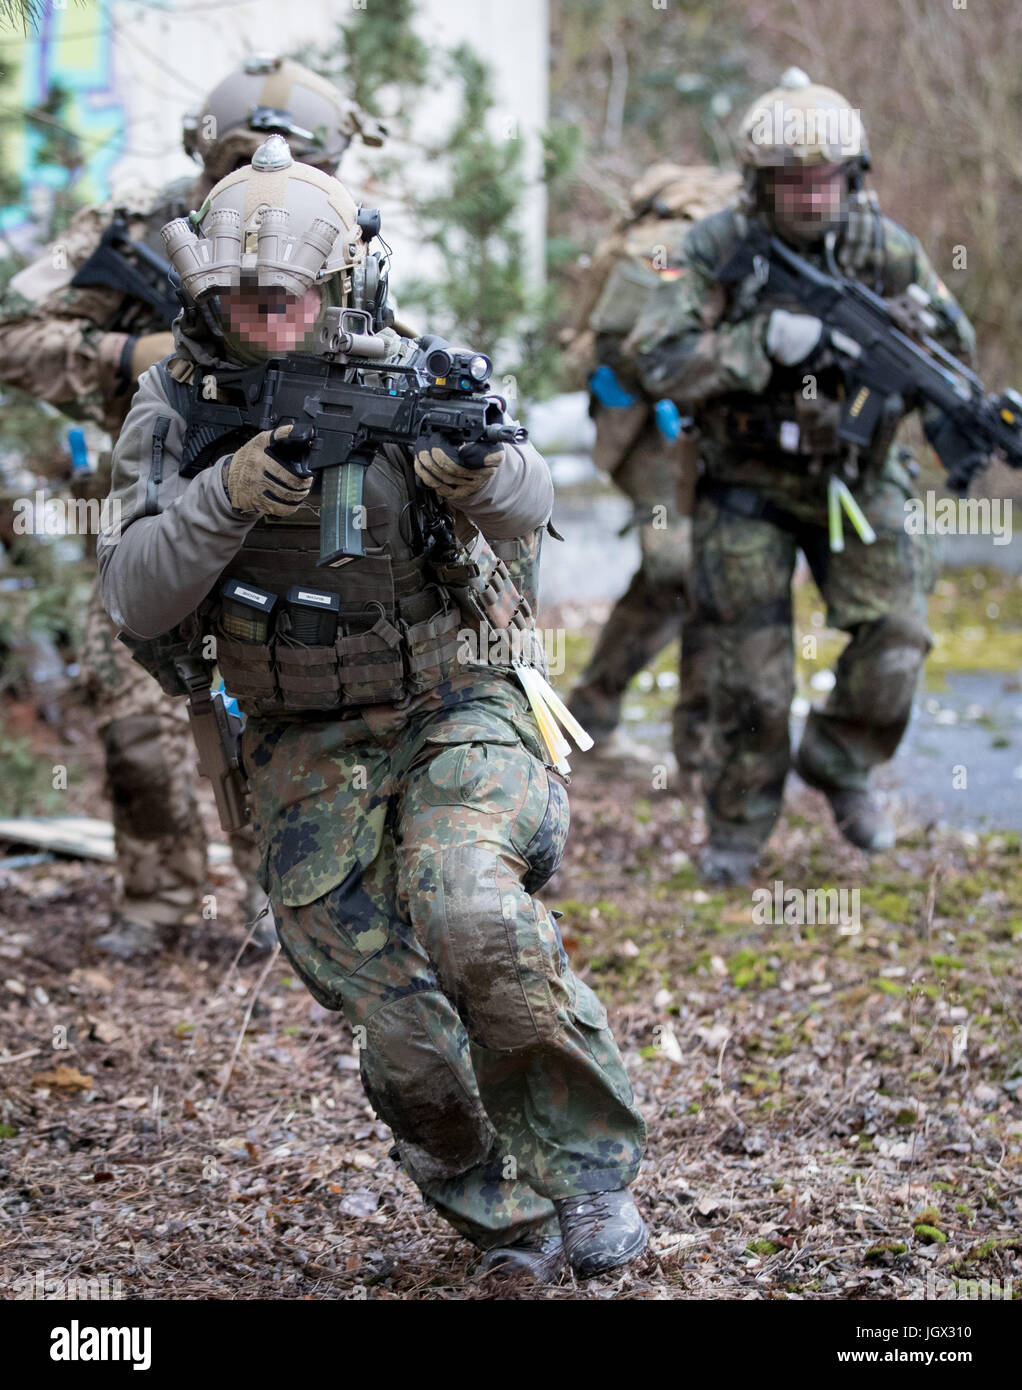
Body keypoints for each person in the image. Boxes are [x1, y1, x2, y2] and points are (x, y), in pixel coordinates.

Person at [97, 136, 649, 1280]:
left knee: (473, 917)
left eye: (285, 302)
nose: (263, 325)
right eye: (239, 303)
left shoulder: (415, 370)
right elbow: (134, 590)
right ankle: (502, 1213)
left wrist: (475, 475)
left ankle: (589, 1185)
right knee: (398, 1029)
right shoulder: (176, 401)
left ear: (340, 284)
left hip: (456, 704)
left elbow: (532, 496)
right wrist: (228, 494)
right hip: (301, 739)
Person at [0, 56, 384, 955]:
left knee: (273, 699)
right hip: (152, 489)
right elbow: (13, 331)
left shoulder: (341, 232)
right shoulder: (129, 230)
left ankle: (285, 897)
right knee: (136, 717)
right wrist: (131, 359)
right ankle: (161, 898)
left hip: (291, 497)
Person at [623, 68, 978, 884]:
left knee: (899, 636)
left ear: (853, 180)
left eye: (828, 181)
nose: (813, 199)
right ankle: (738, 833)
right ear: (759, 182)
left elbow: (953, 355)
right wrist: (755, 346)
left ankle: (840, 757)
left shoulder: (884, 249)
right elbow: (653, 356)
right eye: (794, 183)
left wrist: (909, 347)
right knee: (748, 675)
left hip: (860, 471)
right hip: (745, 479)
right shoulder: (715, 245)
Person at [565, 164, 740, 782]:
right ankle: (662, 744)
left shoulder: (752, 239)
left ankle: (612, 722)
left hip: (714, 433)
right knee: (680, 568)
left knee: (694, 576)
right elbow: (619, 352)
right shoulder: (664, 250)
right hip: (649, 431)